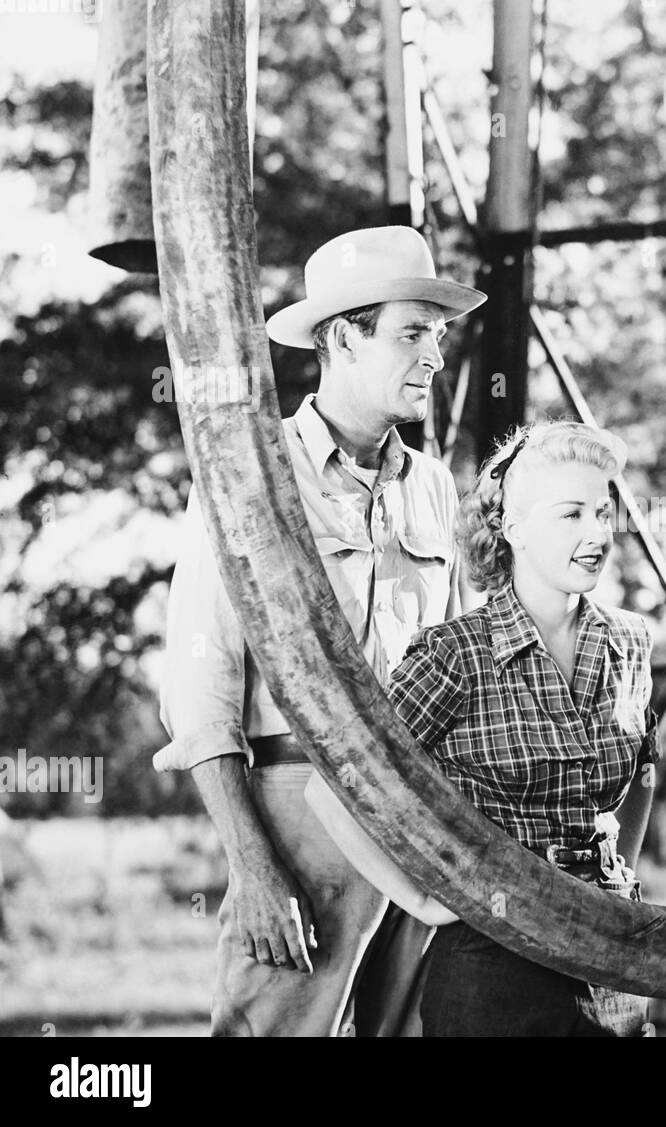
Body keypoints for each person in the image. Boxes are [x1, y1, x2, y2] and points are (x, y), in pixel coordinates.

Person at [154, 225, 485, 1036]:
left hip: (419, 835)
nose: (434, 359)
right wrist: (255, 865)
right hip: (296, 823)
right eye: (412, 334)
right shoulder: (249, 473)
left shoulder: (434, 488)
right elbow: (202, 695)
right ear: (343, 337)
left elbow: (459, 670)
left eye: (438, 338)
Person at [306, 420, 658, 1037]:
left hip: (612, 960)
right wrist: (422, 901)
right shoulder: (453, 654)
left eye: (603, 513)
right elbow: (333, 788)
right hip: (494, 968)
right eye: (571, 514)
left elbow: (644, 777)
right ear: (513, 529)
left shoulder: (630, 640)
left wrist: (611, 888)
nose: (597, 533)